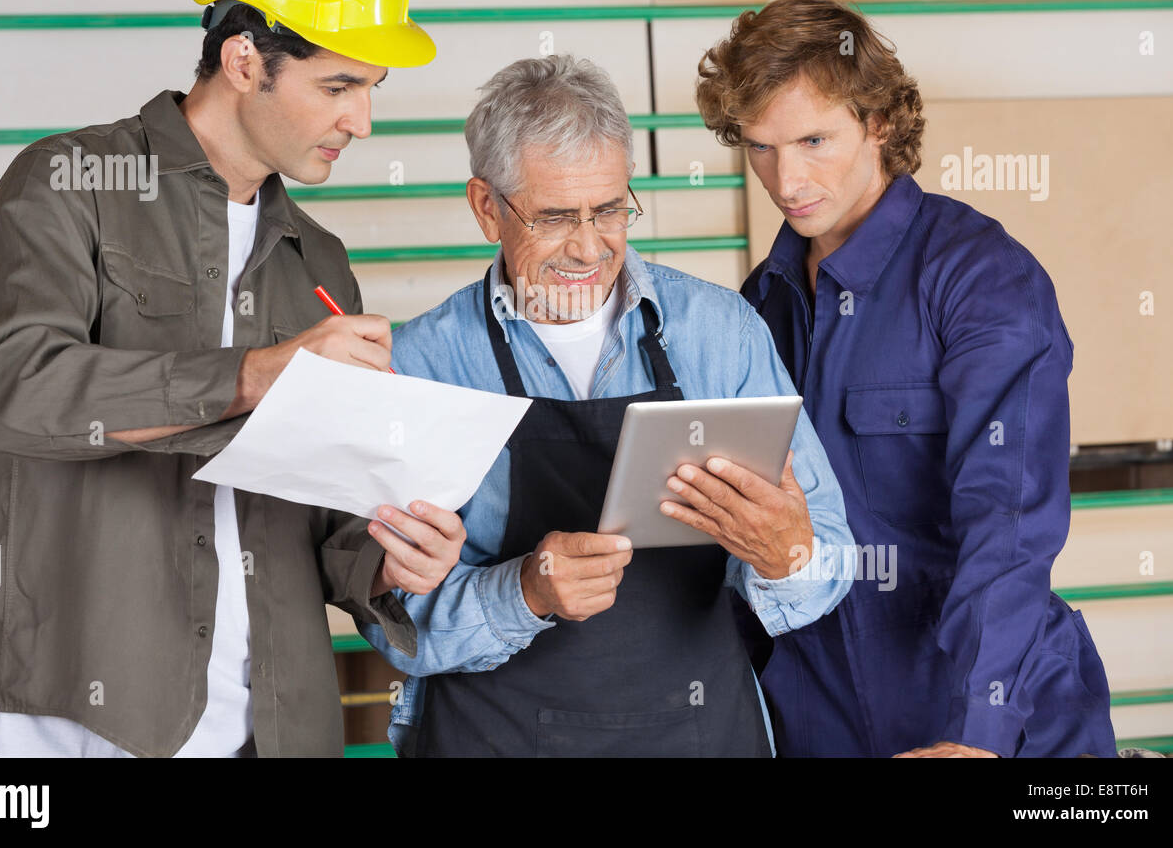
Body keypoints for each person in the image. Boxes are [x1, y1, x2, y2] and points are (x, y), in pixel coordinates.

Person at [0, 0, 465, 758]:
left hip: (271, 727)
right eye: (338, 84)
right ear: (241, 60)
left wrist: (387, 557)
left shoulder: (319, 262)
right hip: (67, 719)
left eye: (370, 88)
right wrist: (255, 373)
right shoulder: (66, 186)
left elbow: (321, 513)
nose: (362, 120)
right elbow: (22, 388)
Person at [358, 54, 855, 757]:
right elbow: (396, 624)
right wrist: (524, 591)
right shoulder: (424, 364)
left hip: (698, 734)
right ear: (486, 207)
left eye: (611, 210)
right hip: (496, 738)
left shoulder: (720, 334)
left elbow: (830, 556)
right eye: (556, 217)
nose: (590, 247)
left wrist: (785, 556)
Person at [696, 0, 1116, 757]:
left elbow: (1010, 522)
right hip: (818, 715)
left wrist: (979, 735)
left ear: (878, 122)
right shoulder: (759, 305)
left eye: (814, 139)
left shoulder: (981, 279)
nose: (786, 179)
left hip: (986, 716)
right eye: (759, 146)